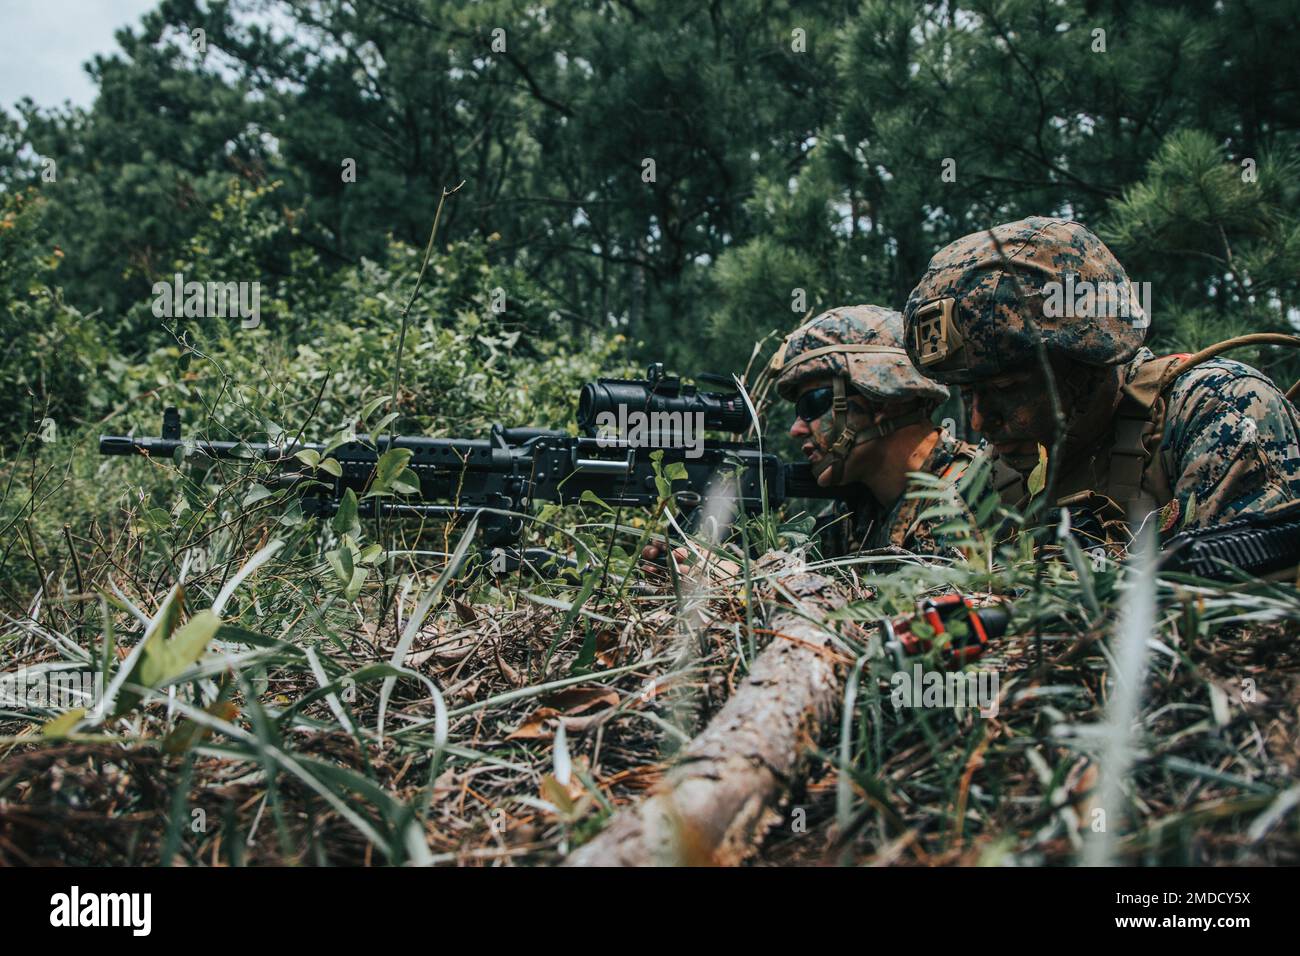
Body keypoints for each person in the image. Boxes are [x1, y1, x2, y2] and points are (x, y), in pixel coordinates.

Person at [902, 216, 1300, 539]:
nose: (978, 421)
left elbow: (1241, 605)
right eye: (968, 394)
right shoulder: (993, 477)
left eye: (1006, 389)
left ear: (1087, 361)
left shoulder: (1215, 410)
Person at [642, 305, 1007, 571]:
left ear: (880, 400)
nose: (797, 429)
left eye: (812, 404)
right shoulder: (859, 512)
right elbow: (801, 571)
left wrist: (750, 587)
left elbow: (919, 633)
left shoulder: (961, 501)